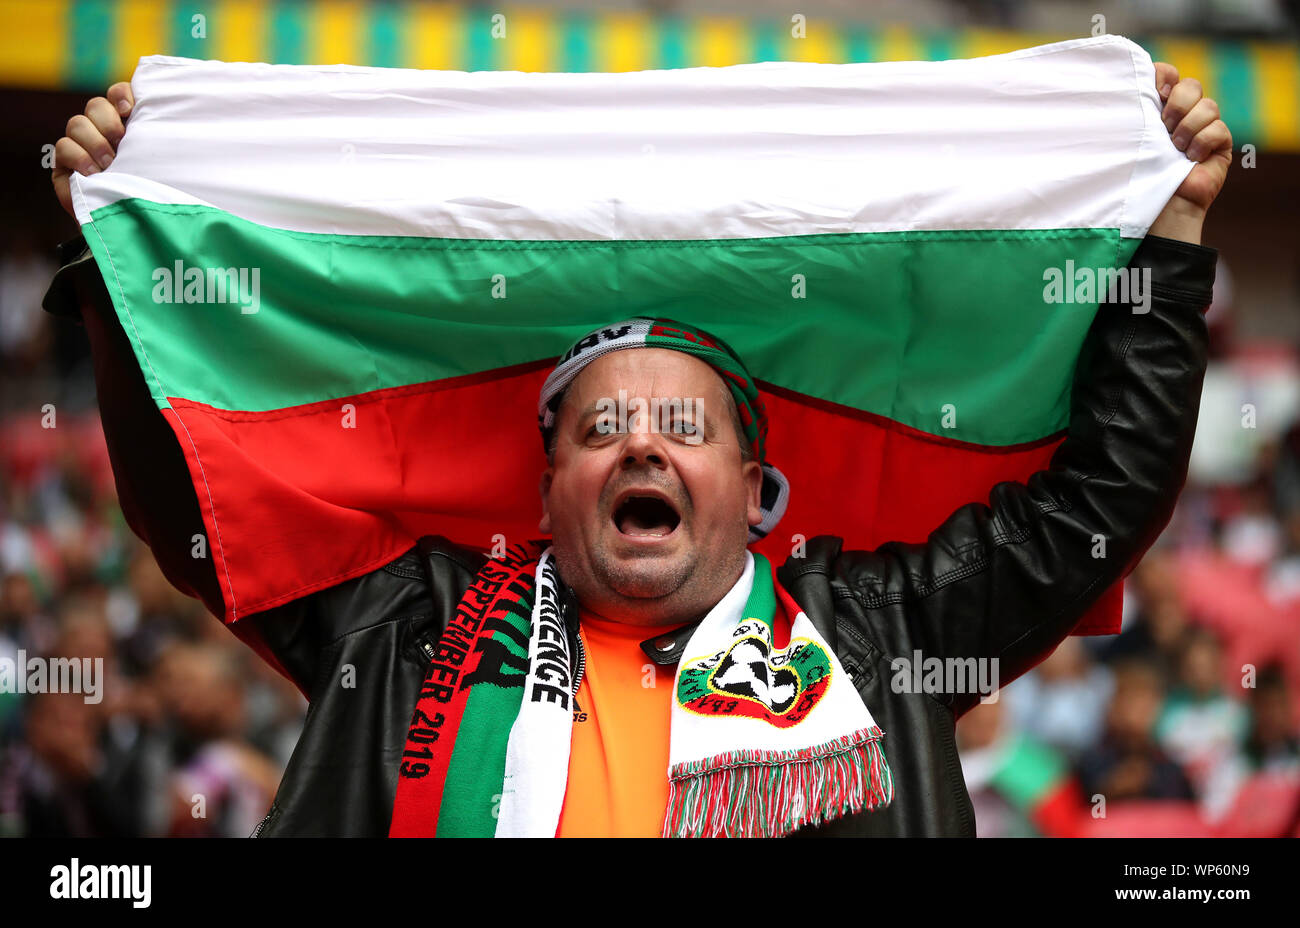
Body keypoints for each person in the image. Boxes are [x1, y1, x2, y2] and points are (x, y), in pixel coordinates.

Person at [44, 62, 1231, 837]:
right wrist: (121, 252)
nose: (639, 450)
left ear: (757, 490)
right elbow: (199, 518)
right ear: (549, 486)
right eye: (601, 429)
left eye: (682, 427)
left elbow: (1102, 495)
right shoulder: (401, 633)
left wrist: (1169, 234)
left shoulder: (884, 630)